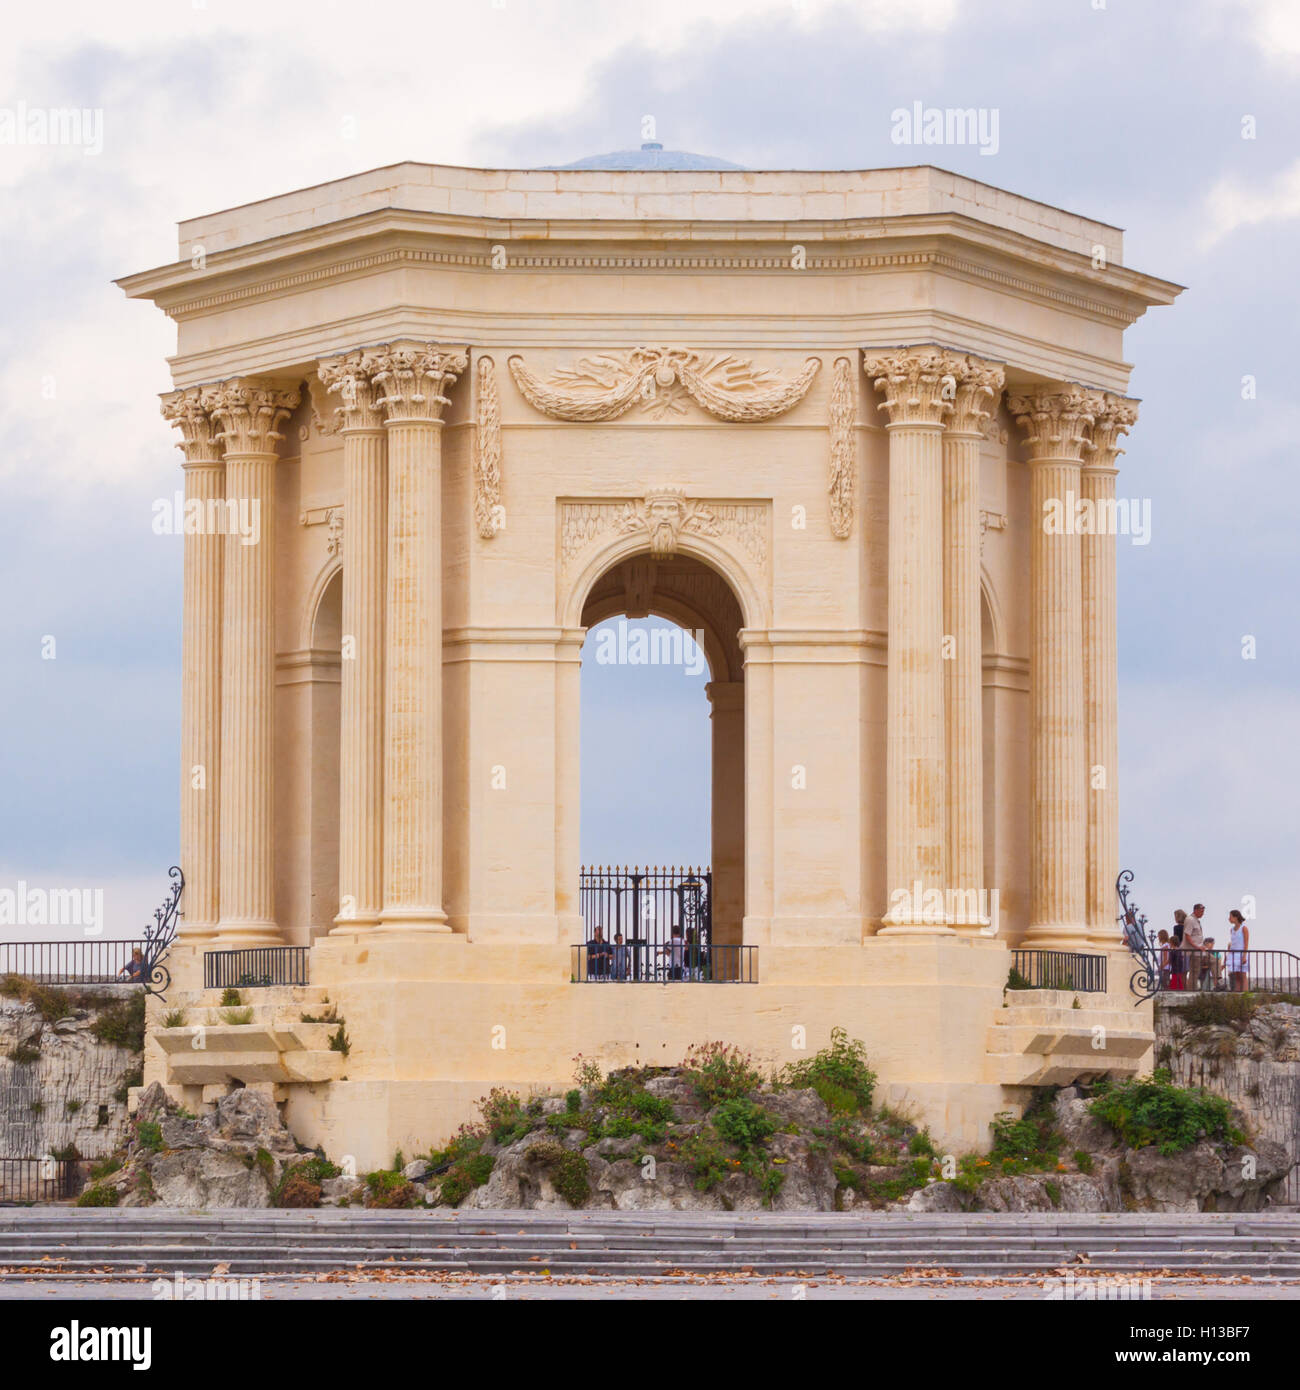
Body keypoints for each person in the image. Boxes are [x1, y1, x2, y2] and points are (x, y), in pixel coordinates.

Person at [1182, 905, 1205, 991]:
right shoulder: (1190, 920)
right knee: (1194, 972)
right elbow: (1187, 935)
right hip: (1194, 951)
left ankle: (1218, 981)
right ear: (1196, 910)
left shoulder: (1196, 921)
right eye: (1201, 911)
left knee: (1213, 961)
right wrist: (1197, 946)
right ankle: (1191, 990)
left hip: (1199, 950)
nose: (1203, 914)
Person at [1227, 910, 1249, 993]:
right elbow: (1232, 943)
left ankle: (1245, 994)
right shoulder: (1231, 930)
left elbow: (1246, 943)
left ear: (1235, 917)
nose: (1229, 919)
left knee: (1243, 975)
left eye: (1230, 917)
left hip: (1241, 954)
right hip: (1233, 954)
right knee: (1236, 975)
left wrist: (1244, 956)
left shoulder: (1244, 928)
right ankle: (1237, 992)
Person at [1168, 912, 1187, 991]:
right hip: (1186, 949)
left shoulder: (1176, 927)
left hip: (1179, 949)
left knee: (1177, 974)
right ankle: (1184, 988)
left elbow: (1176, 937)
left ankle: (1178, 988)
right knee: (1184, 972)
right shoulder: (1186, 927)